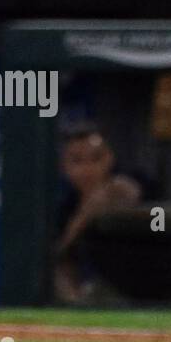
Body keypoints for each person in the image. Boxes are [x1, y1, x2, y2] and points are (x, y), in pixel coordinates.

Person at [54, 126, 144, 305]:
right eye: (77, 160)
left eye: (96, 158)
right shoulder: (63, 208)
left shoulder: (124, 186)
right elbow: (61, 255)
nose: (88, 168)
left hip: (142, 287)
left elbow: (124, 193)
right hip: (92, 291)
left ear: (110, 158)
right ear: (64, 167)